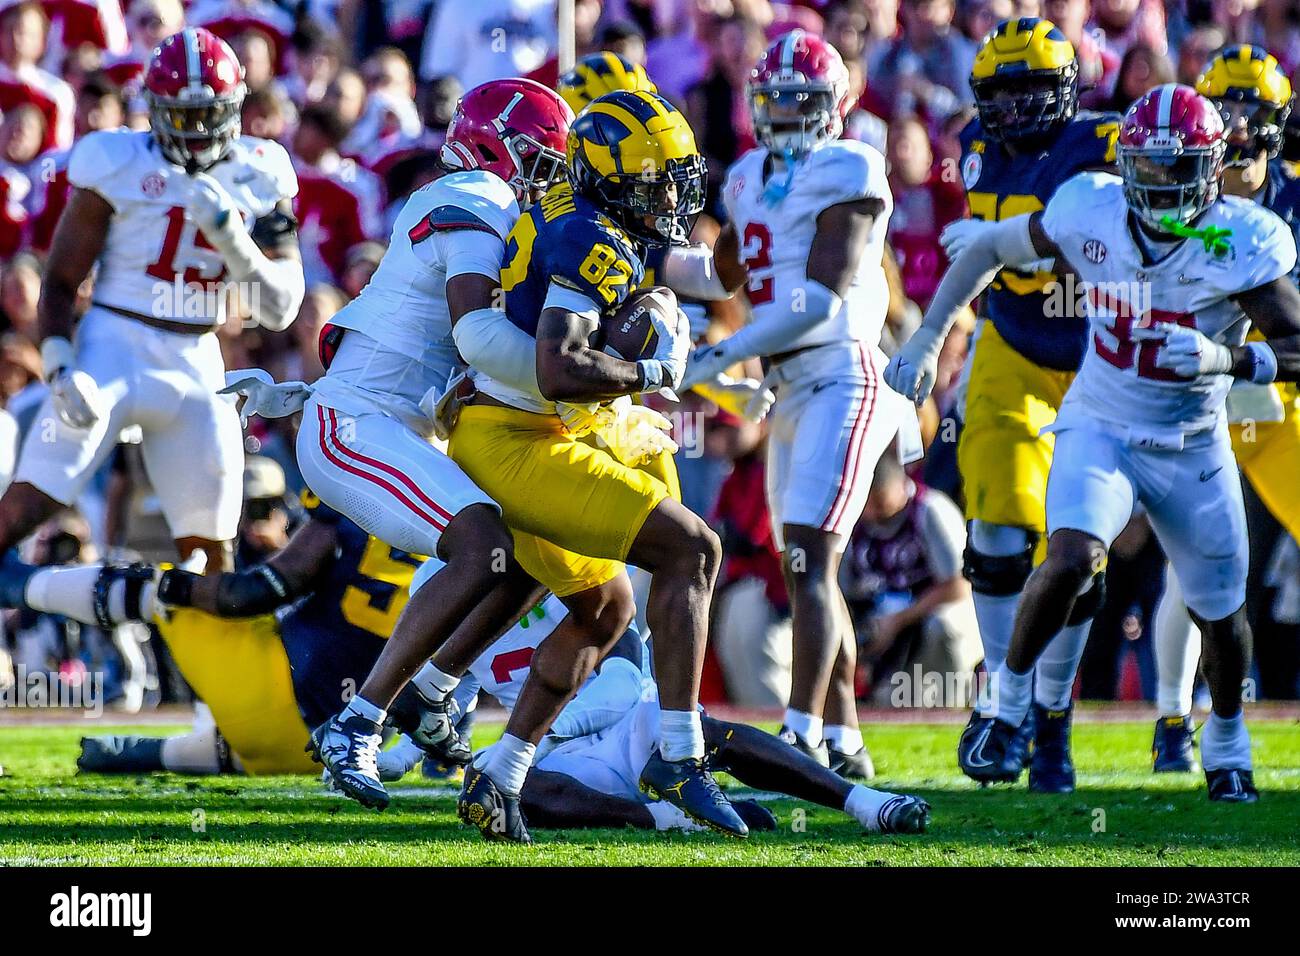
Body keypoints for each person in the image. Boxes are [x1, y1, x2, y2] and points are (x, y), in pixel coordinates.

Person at [888, 83, 1300, 803]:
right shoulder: (1092, 207)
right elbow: (989, 247)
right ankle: (1009, 707)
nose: (1161, 184)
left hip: (1192, 440)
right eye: (1147, 166)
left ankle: (1226, 739)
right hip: (1102, 422)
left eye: (1178, 169)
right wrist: (929, 336)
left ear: (1211, 168)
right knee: (1071, 553)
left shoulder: (1236, 237)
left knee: (1221, 611)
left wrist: (1226, 360)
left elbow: (1296, 343)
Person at [445, 88, 749, 841]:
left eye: (675, 178)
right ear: (612, 182)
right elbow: (560, 365)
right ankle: (678, 757)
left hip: (538, 429)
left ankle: (504, 769)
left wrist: (748, 220)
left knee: (606, 610)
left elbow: (713, 275)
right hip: (522, 437)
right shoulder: (595, 238)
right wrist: (654, 371)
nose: (671, 197)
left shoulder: (589, 211)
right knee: (693, 549)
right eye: (655, 184)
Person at [290, 79, 572, 811]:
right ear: (497, 148)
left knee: (530, 546)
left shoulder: (489, 208)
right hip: (355, 424)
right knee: (482, 545)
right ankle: (358, 723)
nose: (546, 182)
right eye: (539, 162)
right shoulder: (477, 196)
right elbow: (478, 334)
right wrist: (574, 379)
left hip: (393, 425)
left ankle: (434, 694)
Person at [681, 30, 907, 778]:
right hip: (785, 387)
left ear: (835, 105)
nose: (783, 112)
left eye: (799, 99)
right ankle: (845, 738)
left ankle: (803, 729)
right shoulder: (746, 176)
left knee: (811, 561)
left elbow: (816, 301)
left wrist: (714, 355)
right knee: (810, 565)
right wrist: (643, 253)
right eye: (773, 98)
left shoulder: (851, 164)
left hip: (843, 372)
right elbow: (722, 277)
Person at [0, 28, 301, 588]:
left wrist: (233, 241)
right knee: (22, 510)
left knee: (213, 559)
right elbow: (61, 280)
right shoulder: (117, 161)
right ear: (154, 113)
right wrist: (62, 366)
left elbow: (280, 308)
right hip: (112, 346)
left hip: (198, 363)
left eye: (209, 114)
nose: (199, 134)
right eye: (182, 118)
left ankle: (201, 671)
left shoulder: (261, 171)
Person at [926, 17, 1119, 792]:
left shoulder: (1101, 145)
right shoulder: (976, 145)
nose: (1015, 108)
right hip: (1011, 345)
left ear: (1069, 88)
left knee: (1076, 552)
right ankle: (1007, 714)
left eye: (1033, 89)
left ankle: (1052, 718)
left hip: (1099, 357)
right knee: (998, 533)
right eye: (1001, 93)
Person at [1143, 44, 1300, 773]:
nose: (1235, 123)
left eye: (1249, 109)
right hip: (1195, 398)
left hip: (1278, 402)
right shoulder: (1178, 181)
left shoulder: (1292, 196)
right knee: (1193, 567)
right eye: (1224, 106)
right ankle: (1174, 715)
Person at [843, 450, 981, 707]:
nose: (873, 513)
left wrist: (898, 621)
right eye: (868, 504)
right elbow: (843, 590)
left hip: (933, 620)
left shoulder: (929, 510)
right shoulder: (855, 522)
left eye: (880, 502)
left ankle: (947, 708)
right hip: (887, 628)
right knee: (888, 701)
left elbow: (960, 585)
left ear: (899, 485)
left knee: (944, 625)